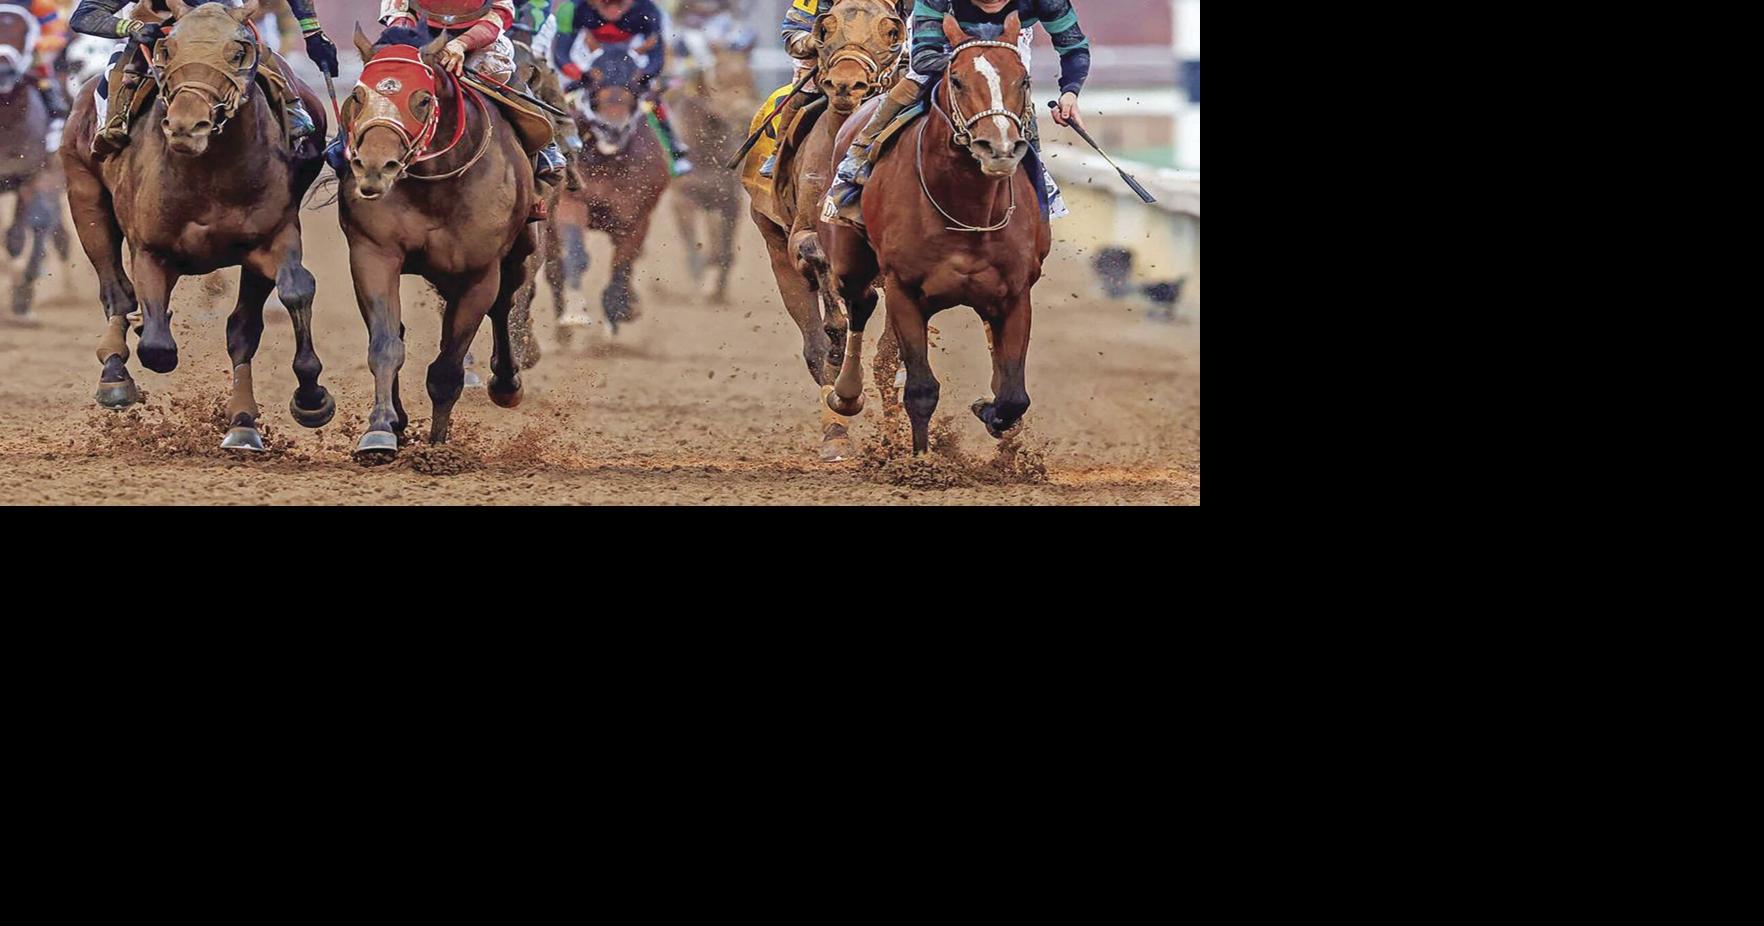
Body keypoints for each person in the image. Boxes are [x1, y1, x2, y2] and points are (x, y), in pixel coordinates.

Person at [823, 0, 1087, 227]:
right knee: (913, 84)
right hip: (943, 44)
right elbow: (923, 58)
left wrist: (1070, 92)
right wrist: (972, 66)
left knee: (1014, 96)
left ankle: (1038, 184)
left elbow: (1074, 48)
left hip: (1008, 43)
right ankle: (854, 163)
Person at [69, 0, 336, 157]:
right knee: (120, 71)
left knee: (268, 60)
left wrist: (313, 33)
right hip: (162, 36)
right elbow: (84, 15)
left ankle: (294, 113)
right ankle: (114, 123)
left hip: (232, 34)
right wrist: (133, 28)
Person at [553, 0, 690, 174]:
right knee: (561, 97)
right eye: (606, 4)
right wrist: (581, 75)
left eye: (620, 4)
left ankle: (674, 150)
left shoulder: (648, 9)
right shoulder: (573, 8)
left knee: (653, 99)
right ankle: (552, 146)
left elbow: (657, 57)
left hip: (632, 58)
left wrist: (644, 75)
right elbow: (561, 54)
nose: (613, 10)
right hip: (589, 57)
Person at [0, 0, 71, 147]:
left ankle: (56, 117)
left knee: (43, 72)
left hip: (29, 53)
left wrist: (37, 45)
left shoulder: (39, 4)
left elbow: (55, 32)